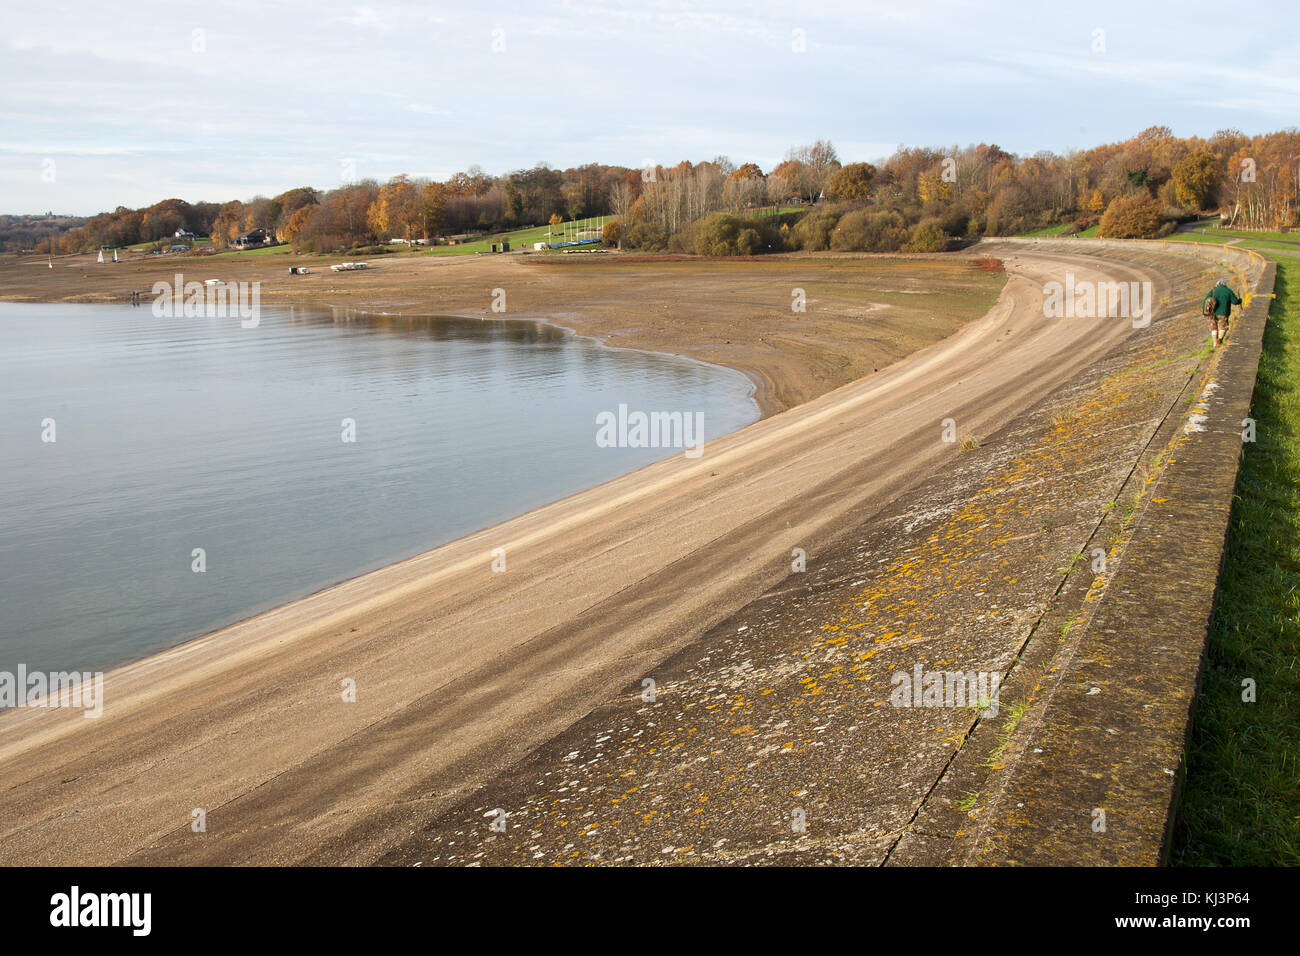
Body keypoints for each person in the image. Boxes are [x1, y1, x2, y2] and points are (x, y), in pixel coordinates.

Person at [1203, 279, 1242, 347]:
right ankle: (1220, 339)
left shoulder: (1213, 291)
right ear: (1224, 284)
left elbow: (1205, 301)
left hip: (1212, 313)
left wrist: (1204, 312)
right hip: (1223, 313)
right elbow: (1235, 301)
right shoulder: (1228, 291)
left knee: (1213, 328)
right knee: (1223, 327)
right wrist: (1240, 301)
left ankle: (1215, 343)